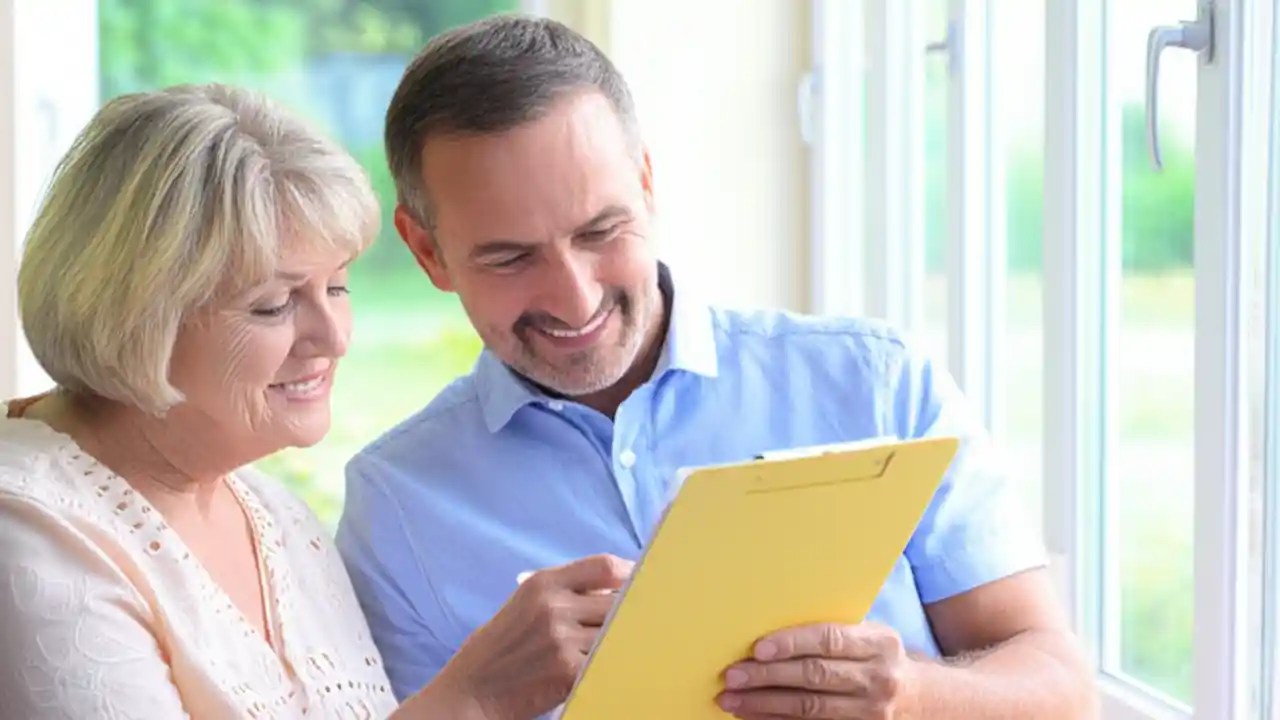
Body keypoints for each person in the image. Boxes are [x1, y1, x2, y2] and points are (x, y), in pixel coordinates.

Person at [336, 13, 1099, 720]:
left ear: (646, 181)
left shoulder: (872, 382)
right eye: (510, 257)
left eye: (603, 230)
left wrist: (909, 696)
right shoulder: (398, 502)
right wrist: (476, 696)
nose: (574, 298)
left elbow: (1062, 688)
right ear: (427, 250)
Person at [0, 82, 621, 720]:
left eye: (339, 286)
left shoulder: (279, 519)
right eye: (274, 304)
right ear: (133, 314)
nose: (334, 337)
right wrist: (474, 698)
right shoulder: (27, 532)